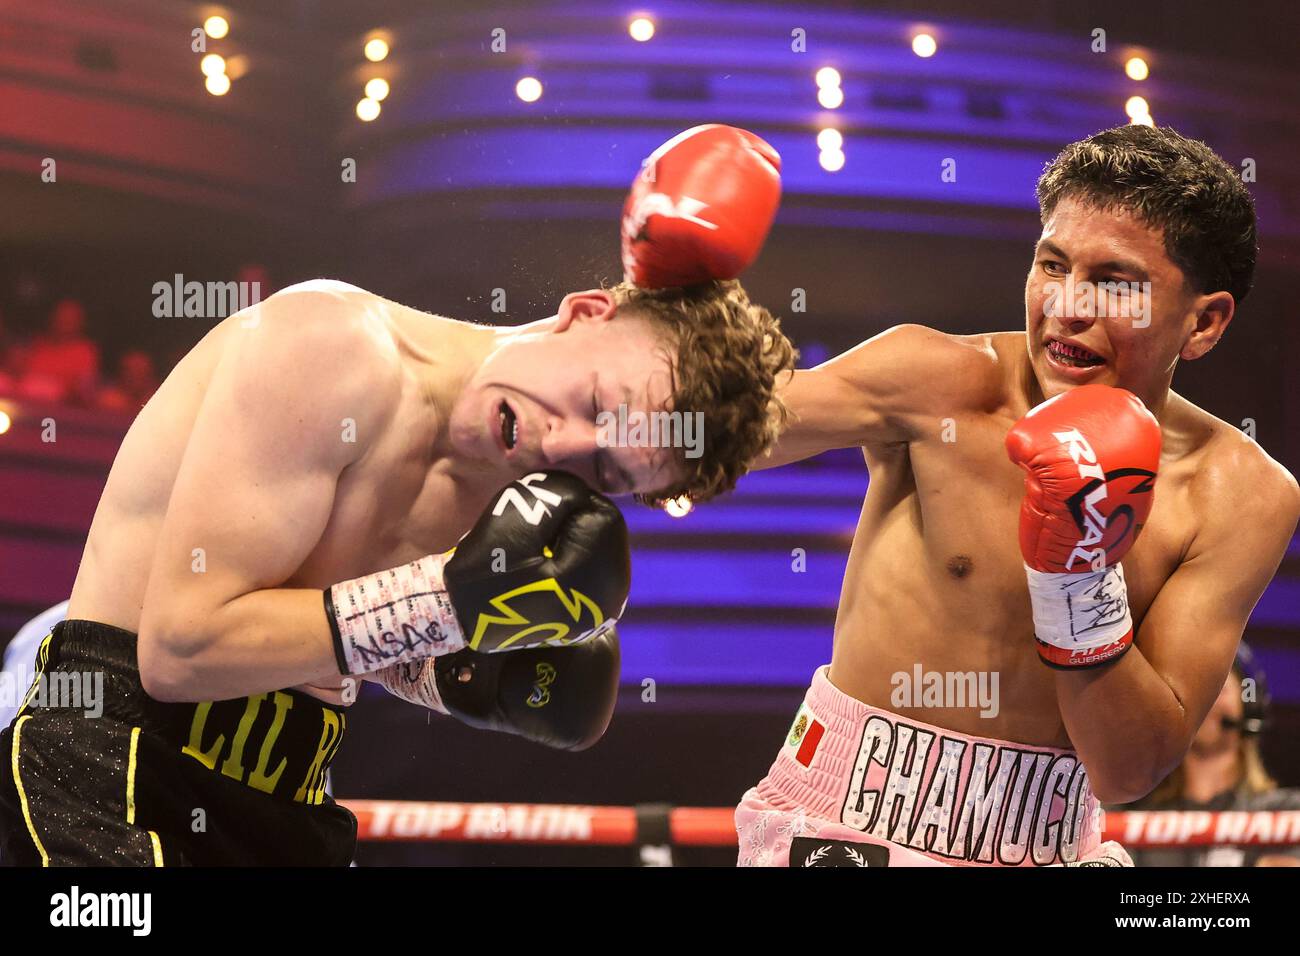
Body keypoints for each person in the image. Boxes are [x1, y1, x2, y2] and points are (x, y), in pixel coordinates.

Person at [0, 125, 797, 865]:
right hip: (114, 773)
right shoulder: (331, 349)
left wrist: (460, 682)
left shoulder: (519, 499)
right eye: (594, 404)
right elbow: (180, 650)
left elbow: (326, 623)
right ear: (585, 314)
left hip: (292, 797)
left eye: (611, 472)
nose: (561, 446)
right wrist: (447, 601)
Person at [736, 124, 1300, 867]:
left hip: (1055, 844)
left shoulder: (1242, 492)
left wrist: (1078, 573)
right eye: (1052, 264)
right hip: (849, 824)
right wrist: (669, 302)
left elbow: (1129, 769)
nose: (1067, 308)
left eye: (1113, 281)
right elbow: (723, 435)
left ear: (1203, 322)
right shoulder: (938, 380)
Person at [1127, 643, 1300, 867]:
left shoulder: (1286, 812)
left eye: (1216, 688)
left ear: (1249, 704)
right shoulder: (1129, 813)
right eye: (1191, 688)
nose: (1204, 701)